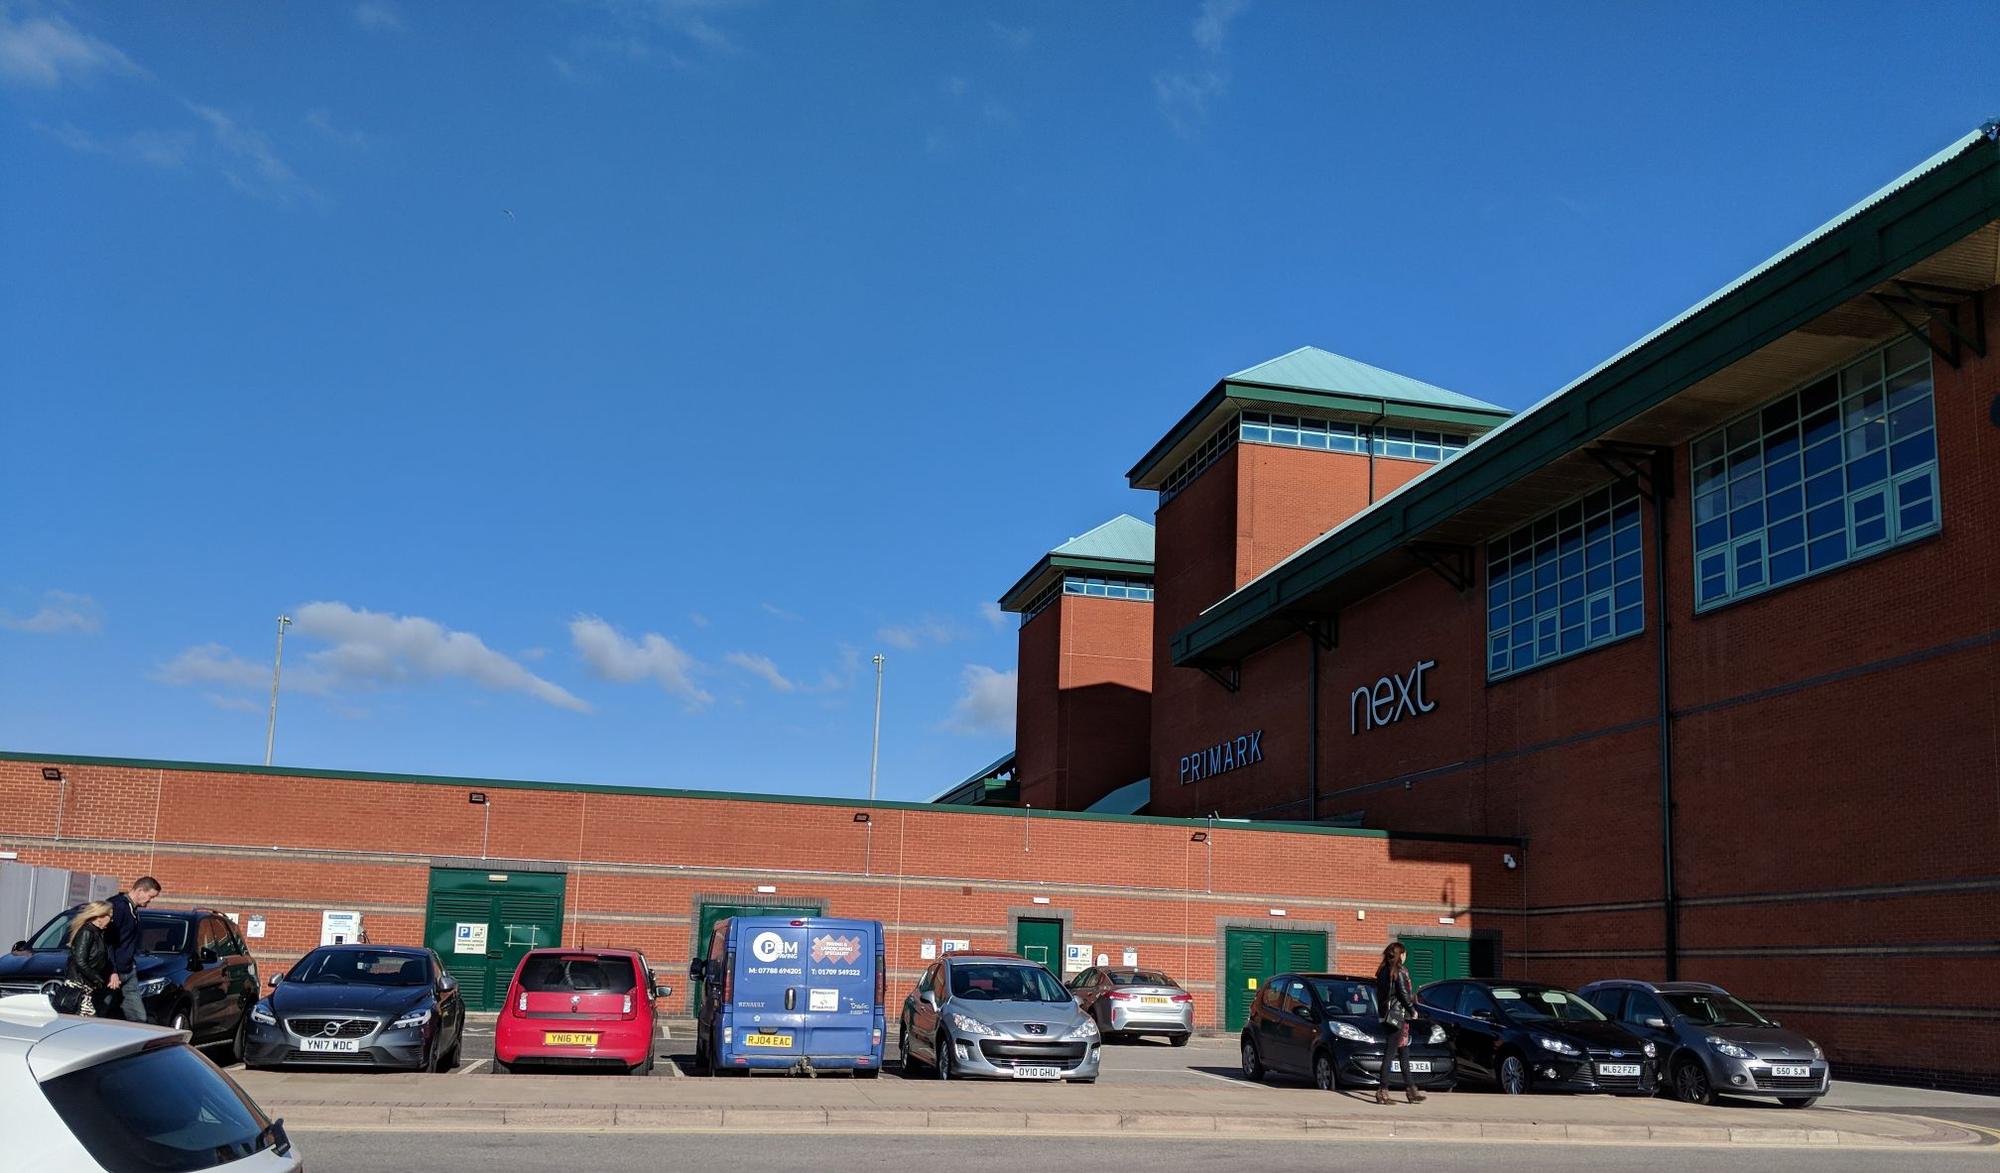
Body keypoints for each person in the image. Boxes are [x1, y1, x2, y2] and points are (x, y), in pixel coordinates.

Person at [1373, 942, 1425, 1105]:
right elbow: (1403, 994)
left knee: (1404, 1052)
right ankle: (1382, 1091)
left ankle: (1411, 1089)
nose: (1405, 956)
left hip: (1387, 1015)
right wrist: (1413, 1010)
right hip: (1398, 1016)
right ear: (1401, 955)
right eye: (1404, 953)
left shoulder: (1382, 971)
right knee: (1390, 1052)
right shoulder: (1400, 971)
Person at [105, 876, 162, 1024]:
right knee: (101, 1010)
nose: (150, 901)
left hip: (129, 970)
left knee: (138, 1018)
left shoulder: (133, 910)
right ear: (140, 890)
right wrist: (113, 971)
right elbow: (108, 941)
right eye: (150, 897)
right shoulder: (118, 907)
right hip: (113, 972)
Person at [62, 901, 116, 1017]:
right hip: (79, 986)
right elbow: (80, 960)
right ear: (99, 916)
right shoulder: (87, 932)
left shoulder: (98, 933)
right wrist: (96, 978)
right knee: (88, 1022)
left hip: (88, 987)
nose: (111, 920)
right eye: (109, 917)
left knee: (86, 1023)